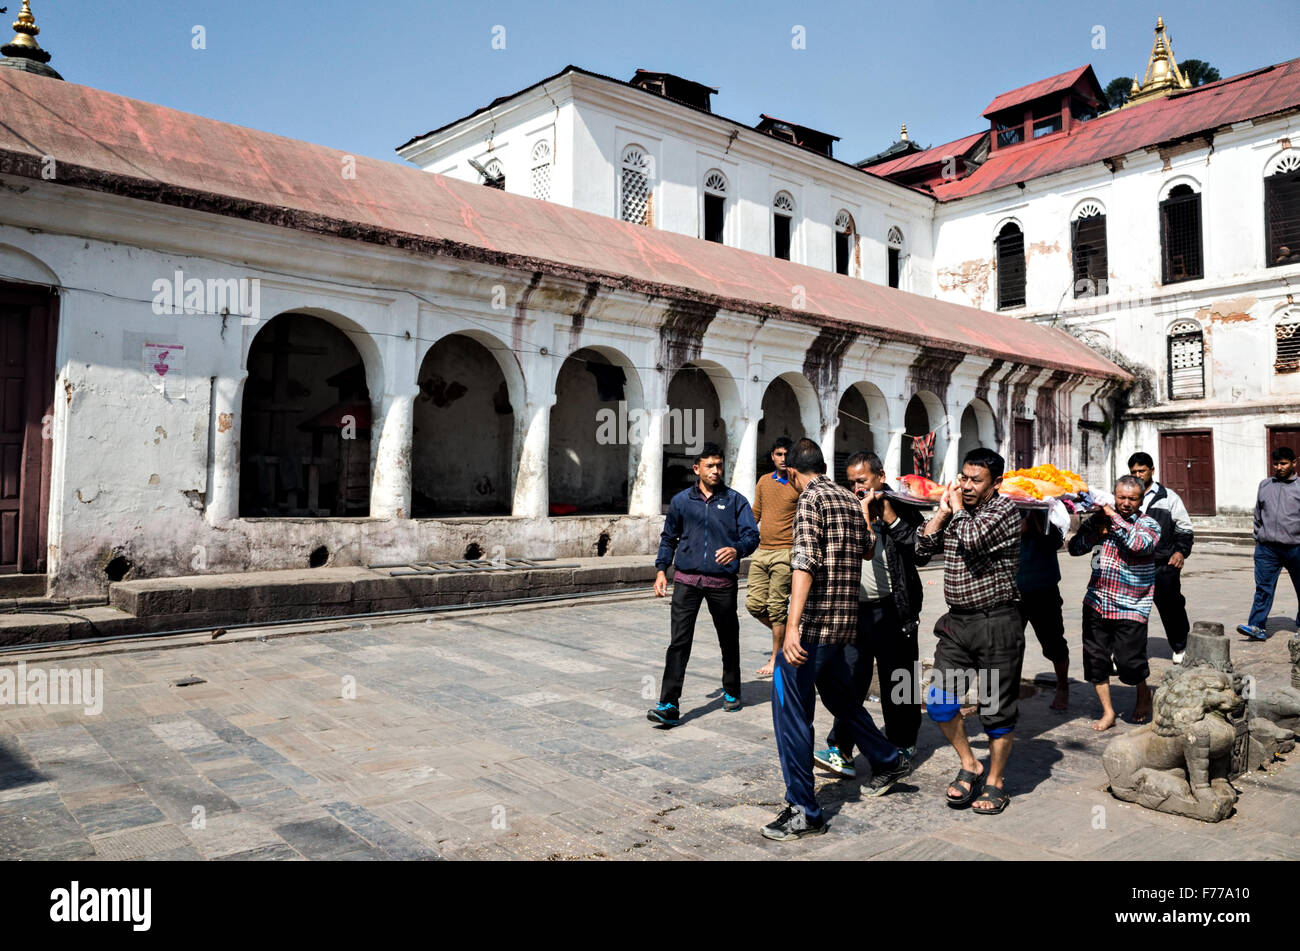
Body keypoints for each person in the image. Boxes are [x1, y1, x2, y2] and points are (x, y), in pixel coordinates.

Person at [764, 441, 912, 841]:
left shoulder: (810, 499)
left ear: (793, 472)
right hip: (843, 626)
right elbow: (866, 550)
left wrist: (791, 627)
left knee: (791, 714)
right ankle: (886, 756)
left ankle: (803, 809)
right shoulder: (848, 499)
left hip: (812, 629)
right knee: (841, 699)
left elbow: (805, 560)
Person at [914, 447, 1022, 815]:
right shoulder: (958, 513)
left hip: (996, 623)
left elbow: (974, 538)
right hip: (957, 623)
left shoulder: (1004, 511)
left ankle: (994, 781)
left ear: (996, 483)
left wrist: (957, 510)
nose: (967, 485)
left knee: (995, 710)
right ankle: (970, 762)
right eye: (964, 477)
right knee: (940, 702)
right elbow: (921, 549)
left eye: (976, 480)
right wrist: (942, 513)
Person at [814, 451, 925, 778]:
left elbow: (921, 550)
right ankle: (842, 748)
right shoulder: (849, 507)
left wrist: (890, 517)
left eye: (861, 481)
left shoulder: (903, 505)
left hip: (895, 609)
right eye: (851, 483)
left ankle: (902, 743)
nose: (857, 488)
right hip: (855, 610)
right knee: (849, 680)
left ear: (880, 476)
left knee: (899, 680)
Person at [649, 442, 760, 727]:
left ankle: (732, 689)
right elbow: (668, 537)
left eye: (719, 465)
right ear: (697, 468)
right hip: (686, 581)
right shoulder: (682, 501)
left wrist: (737, 549)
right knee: (679, 642)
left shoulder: (736, 501)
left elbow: (752, 536)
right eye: (709, 466)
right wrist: (662, 570)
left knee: (728, 637)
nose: (715, 471)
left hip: (722, 583)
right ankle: (669, 703)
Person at [1068, 475, 1161, 730]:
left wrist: (1113, 518)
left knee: (1130, 663)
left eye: (1132, 499)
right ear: (1114, 495)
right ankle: (1108, 712)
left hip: (1132, 605)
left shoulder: (1149, 525)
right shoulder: (1100, 520)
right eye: (1121, 497)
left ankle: (1143, 692)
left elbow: (1138, 545)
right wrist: (1096, 530)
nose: (1126, 503)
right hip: (1097, 601)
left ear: (1141, 500)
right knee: (1095, 661)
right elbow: (1075, 548)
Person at [1128, 452, 1194, 663]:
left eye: (1142, 470)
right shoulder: (1126, 497)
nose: (1138, 474)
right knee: (1130, 610)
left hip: (1163, 564)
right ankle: (1128, 651)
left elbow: (1184, 529)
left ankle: (1181, 647)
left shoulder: (1168, 497)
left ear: (1152, 471)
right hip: (1132, 565)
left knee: (1172, 607)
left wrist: (1180, 552)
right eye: (1134, 471)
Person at [746, 437, 799, 676]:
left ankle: (777, 658)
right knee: (754, 604)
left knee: (777, 607)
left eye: (787, 454)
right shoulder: (764, 481)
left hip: (786, 551)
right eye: (778, 454)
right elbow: (755, 512)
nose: (783, 458)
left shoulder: (798, 484)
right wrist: (739, 539)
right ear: (772, 457)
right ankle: (789, 633)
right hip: (762, 550)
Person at [1238, 446, 1300, 641]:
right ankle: (1257, 627)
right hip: (1267, 549)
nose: (1279, 467)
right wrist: (1259, 536)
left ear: (1294, 463)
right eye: (1276, 464)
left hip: (1295, 547)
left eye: (1284, 463)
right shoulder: (1265, 485)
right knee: (1263, 588)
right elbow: (1258, 513)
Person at [1017, 507, 1071, 711]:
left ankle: (1063, 685)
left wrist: (1035, 521)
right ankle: (1007, 691)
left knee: (1054, 642)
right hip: (1011, 591)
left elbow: (1056, 542)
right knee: (1009, 645)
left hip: (1044, 588)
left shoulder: (1049, 510)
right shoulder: (1005, 505)